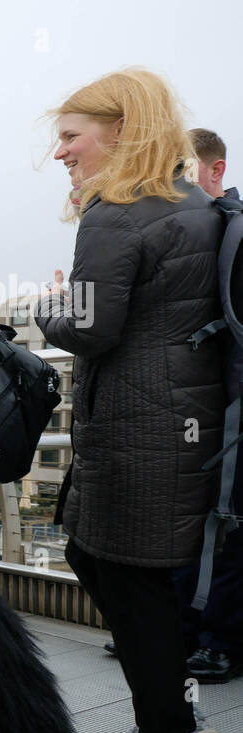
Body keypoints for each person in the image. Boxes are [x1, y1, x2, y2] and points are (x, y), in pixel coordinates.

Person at [36, 69, 226, 733]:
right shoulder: (192, 202)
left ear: (118, 132)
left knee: (116, 570)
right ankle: (175, 720)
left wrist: (54, 304)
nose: (61, 154)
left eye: (71, 137)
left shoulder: (115, 212)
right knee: (138, 576)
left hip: (138, 427)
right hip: (185, 423)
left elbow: (88, 327)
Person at [171, 128, 242, 684]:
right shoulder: (202, 227)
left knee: (224, 521)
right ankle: (182, 635)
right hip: (201, 401)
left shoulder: (233, 230)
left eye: (183, 168)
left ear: (214, 171)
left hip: (232, 405)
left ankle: (216, 643)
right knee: (198, 519)